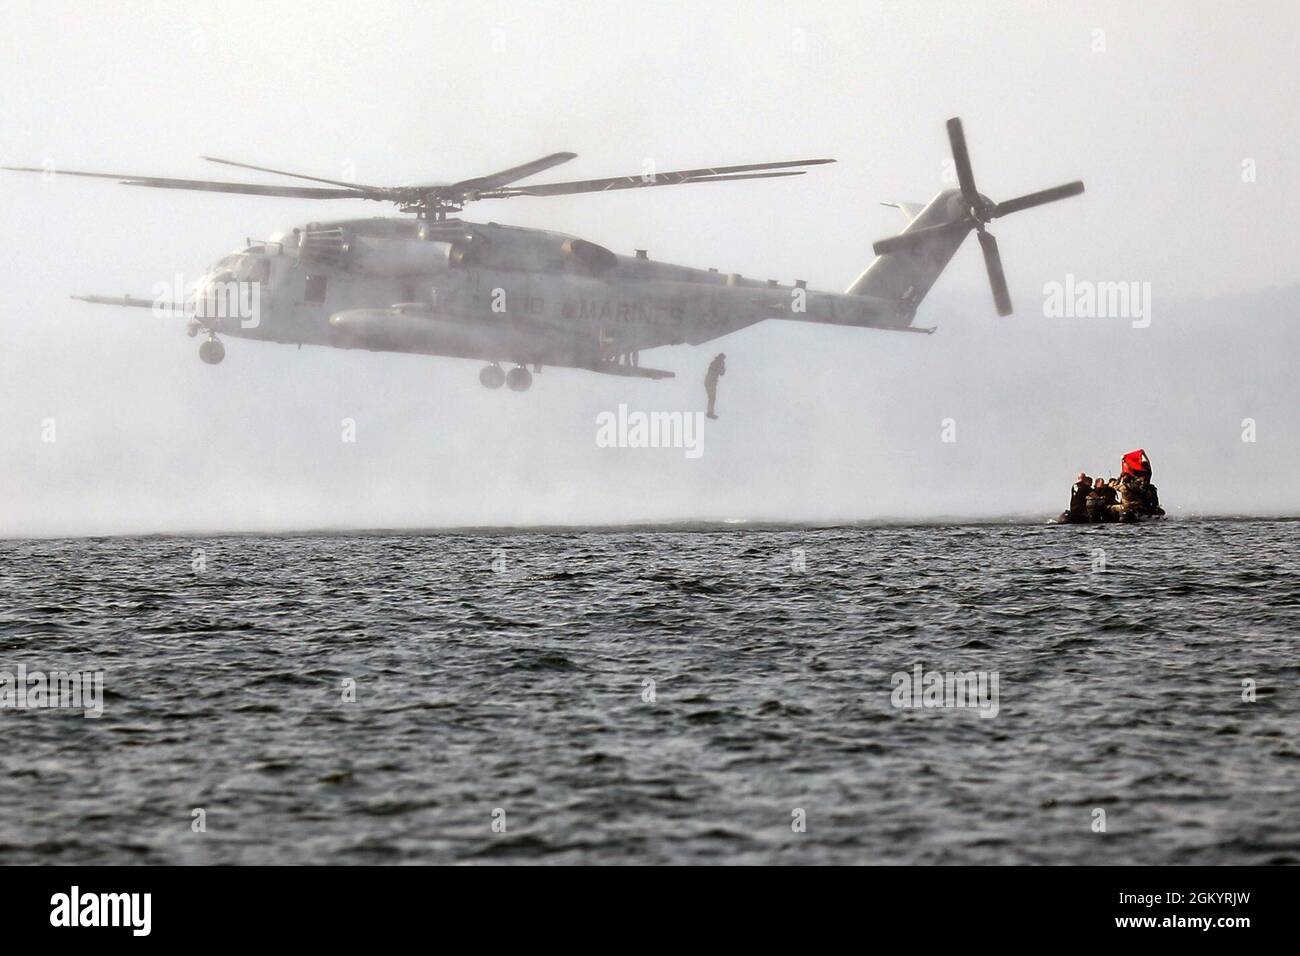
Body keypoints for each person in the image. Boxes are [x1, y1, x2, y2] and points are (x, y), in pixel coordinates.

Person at [704, 353, 726, 419]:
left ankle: (710, 412)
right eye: (722, 359)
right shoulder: (715, 363)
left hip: (711, 383)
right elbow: (714, 371)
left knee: (712, 398)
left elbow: (721, 374)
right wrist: (721, 367)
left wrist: (723, 368)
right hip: (710, 382)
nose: (723, 360)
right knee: (712, 398)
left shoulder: (718, 363)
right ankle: (710, 413)